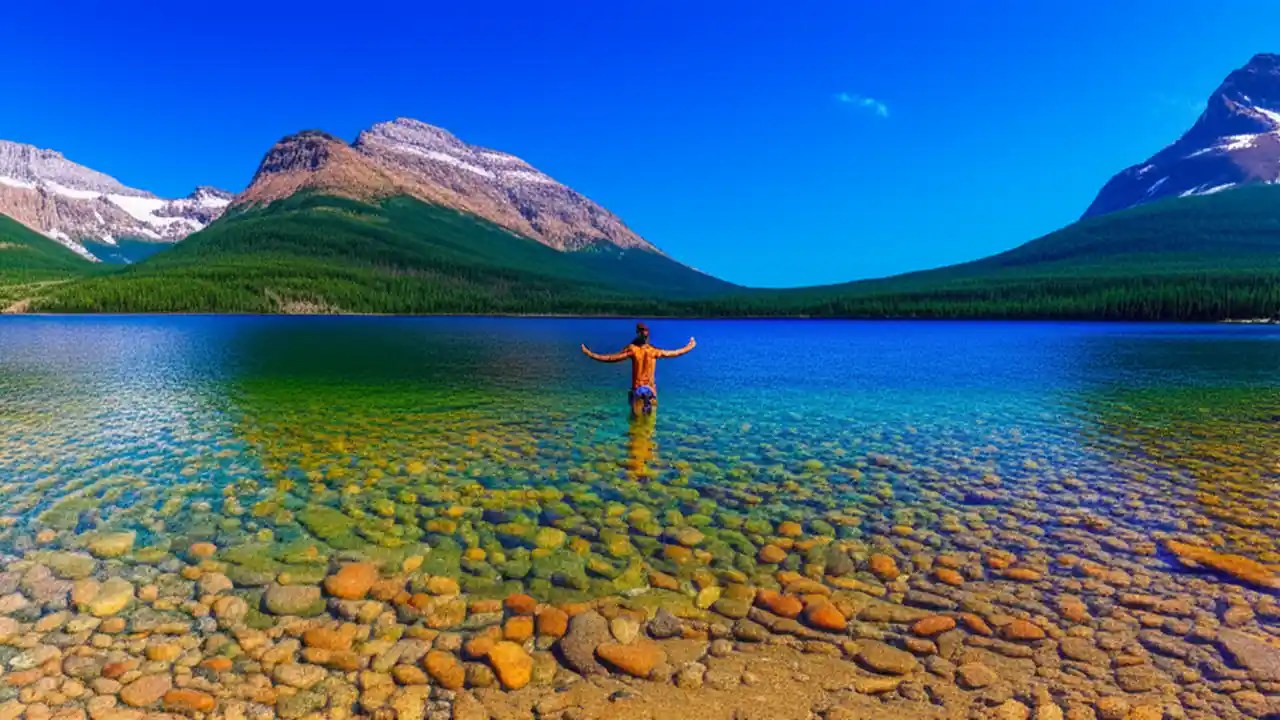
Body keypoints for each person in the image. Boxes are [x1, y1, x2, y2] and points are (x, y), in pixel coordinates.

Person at [581, 323, 696, 415]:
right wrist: (689, 346)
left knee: (635, 424)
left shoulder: (633, 350)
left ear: (637, 333)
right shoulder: (654, 351)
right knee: (649, 428)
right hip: (651, 392)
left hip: (637, 391)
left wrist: (590, 354)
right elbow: (674, 353)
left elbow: (611, 358)